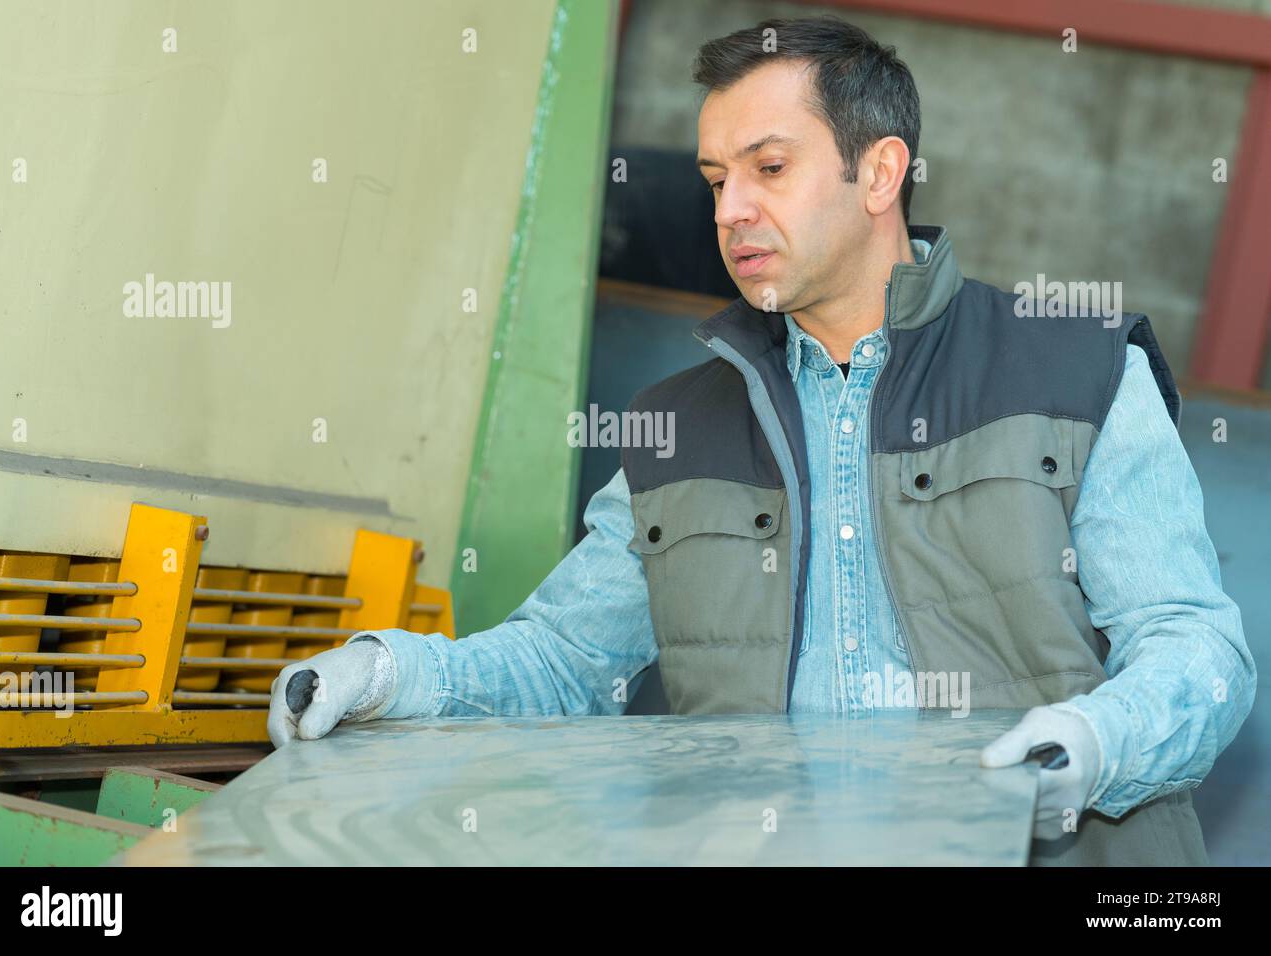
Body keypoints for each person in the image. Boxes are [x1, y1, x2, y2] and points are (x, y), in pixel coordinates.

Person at [268, 15, 1254, 866]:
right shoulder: (676, 430)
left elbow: (1198, 648)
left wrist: (1091, 741)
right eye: (714, 179)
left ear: (879, 171)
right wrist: (388, 672)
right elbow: (564, 657)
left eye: (768, 168)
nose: (729, 209)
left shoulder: (1073, 374)